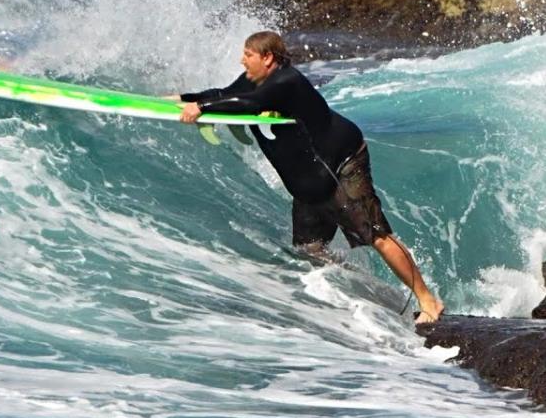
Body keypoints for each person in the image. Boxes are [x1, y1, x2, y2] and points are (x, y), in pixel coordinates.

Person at [177, 31, 444, 324]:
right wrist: (182, 99)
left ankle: (428, 300)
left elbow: (249, 104)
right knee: (310, 248)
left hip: (341, 164)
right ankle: (367, 287)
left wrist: (201, 109)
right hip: (311, 178)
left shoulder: (286, 82)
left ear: (267, 58)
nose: (242, 60)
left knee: (377, 235)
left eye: (248, 55)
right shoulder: (257, 80)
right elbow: (228, 95)